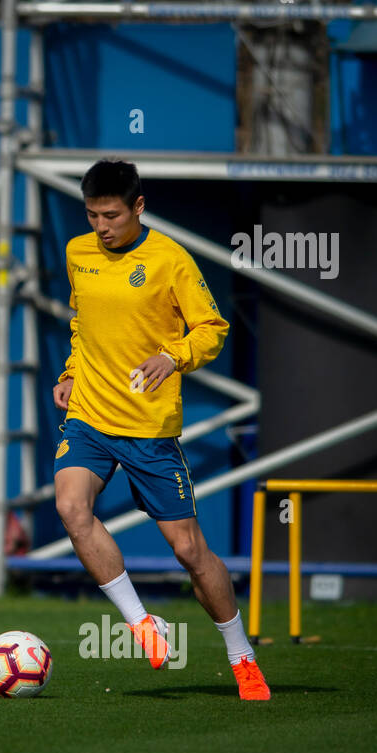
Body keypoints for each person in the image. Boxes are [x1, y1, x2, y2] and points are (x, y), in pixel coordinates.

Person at [52, 158, 270, 701]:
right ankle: (142, 624)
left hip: (148, 427)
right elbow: (83, 325)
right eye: (92, 215)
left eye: (111, 215)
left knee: (189, 551)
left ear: (138, 208)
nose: (101, 226)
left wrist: (174, 357)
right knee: (71, 509)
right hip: (88, 416)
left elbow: (211, 328)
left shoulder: (170, 259)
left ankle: (242, 656)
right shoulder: (78, 252)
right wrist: (70, 373)